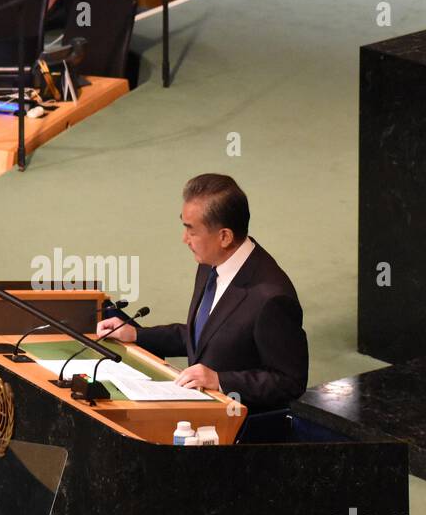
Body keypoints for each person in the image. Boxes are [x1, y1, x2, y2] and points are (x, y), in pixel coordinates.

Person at [96, 174, 309, 412]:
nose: (184, 239)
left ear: (225, 236)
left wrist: (220, 380)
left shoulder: (271, 298)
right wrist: (135, 334)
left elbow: (290, 382)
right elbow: (204, 336)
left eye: (192, 230)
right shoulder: (211, 262)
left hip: (242, 428)